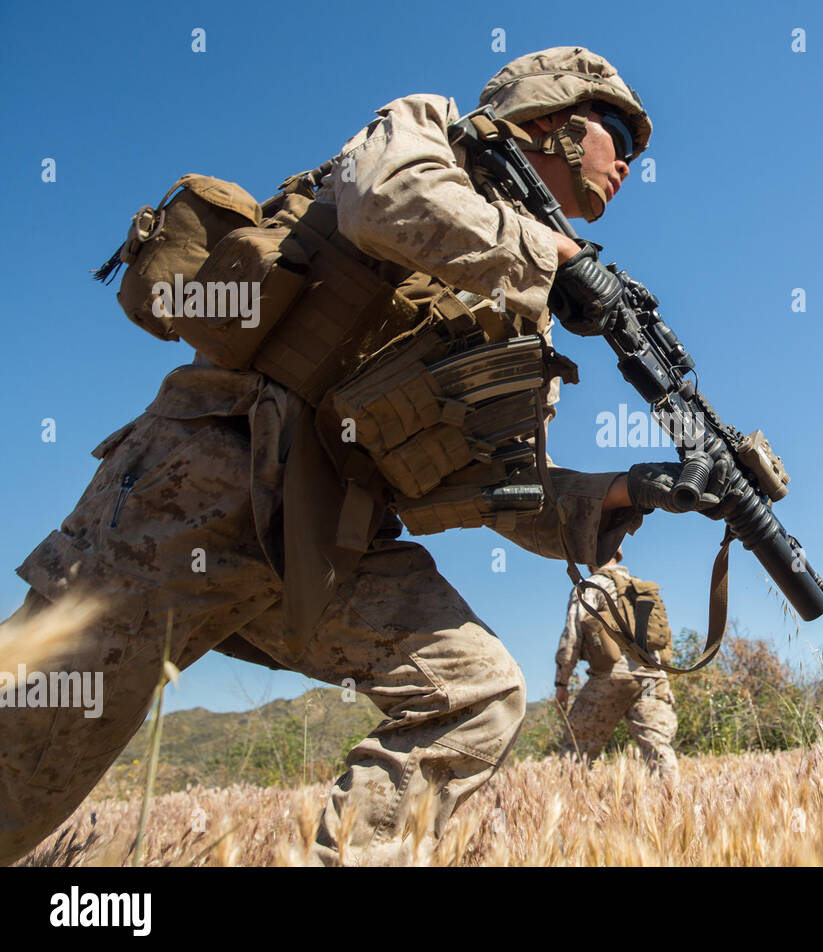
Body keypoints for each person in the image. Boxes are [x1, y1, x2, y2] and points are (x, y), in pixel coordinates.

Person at [0, 46, 735, 866]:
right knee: (20, 770)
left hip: (323, 542)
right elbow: (383, 198)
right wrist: (553, 260)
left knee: (476, 693)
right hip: (193, 490)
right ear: (557, 121)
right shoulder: (431, 137)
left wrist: (633, 491)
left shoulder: (527, 315)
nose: (630, 160)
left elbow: (491, 492)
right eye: (617, 132)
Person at [554, 550, 679, 785]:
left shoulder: (591, 586)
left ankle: (570, 808)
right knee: (659, 750)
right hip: (651, 676)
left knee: (577, 750)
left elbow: (572, 637)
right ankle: (672, 806)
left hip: (612, 676)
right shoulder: (641, 586)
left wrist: (561, 682)